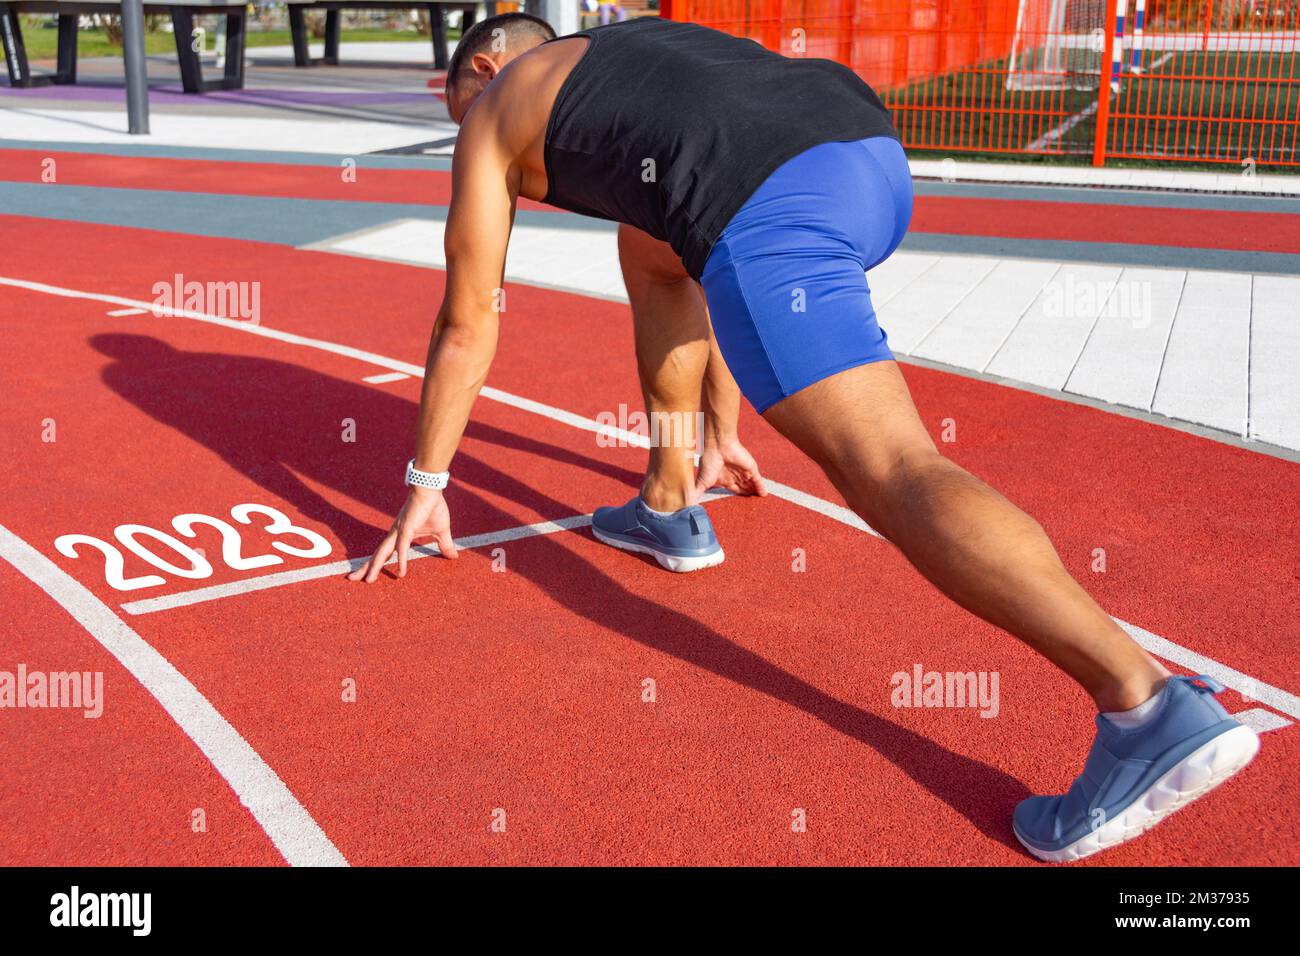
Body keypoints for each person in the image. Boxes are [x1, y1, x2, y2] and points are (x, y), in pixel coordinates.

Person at [348, 14, 1259, 861]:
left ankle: (1144, 705)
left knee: (894, 468)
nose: (457, 124)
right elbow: (689, 228)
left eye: (454, 102)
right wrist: (720, 432)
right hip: (864, 154)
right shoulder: (632, 55)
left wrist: (428, 479)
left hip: (774, 204)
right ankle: (671, 500)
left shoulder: (496, 110)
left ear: (485, 67)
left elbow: (468, 319)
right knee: (654, 253)